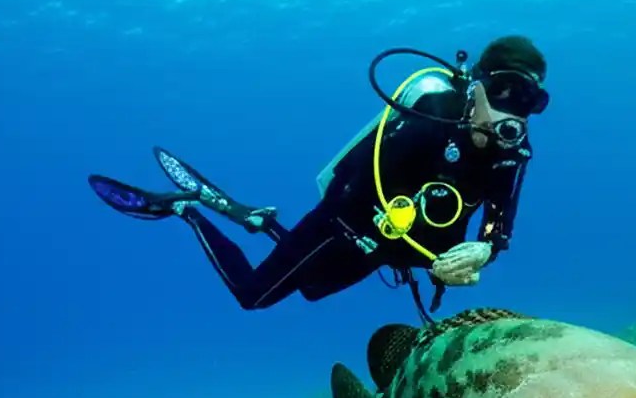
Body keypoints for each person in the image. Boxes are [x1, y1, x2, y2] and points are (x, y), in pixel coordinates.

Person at [88, 35, 549, 322]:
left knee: (309, 289)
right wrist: (424, 255)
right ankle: (185, 208)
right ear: (477, 86)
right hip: (340, 226)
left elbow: (500, 219)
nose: (514, 113)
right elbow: (353, 182)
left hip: (392, 251)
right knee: (254, 296)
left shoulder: (515, 152)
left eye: (528, 101)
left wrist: (484, 249)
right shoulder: (431, 117)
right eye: (504, 91)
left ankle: (259, 221)